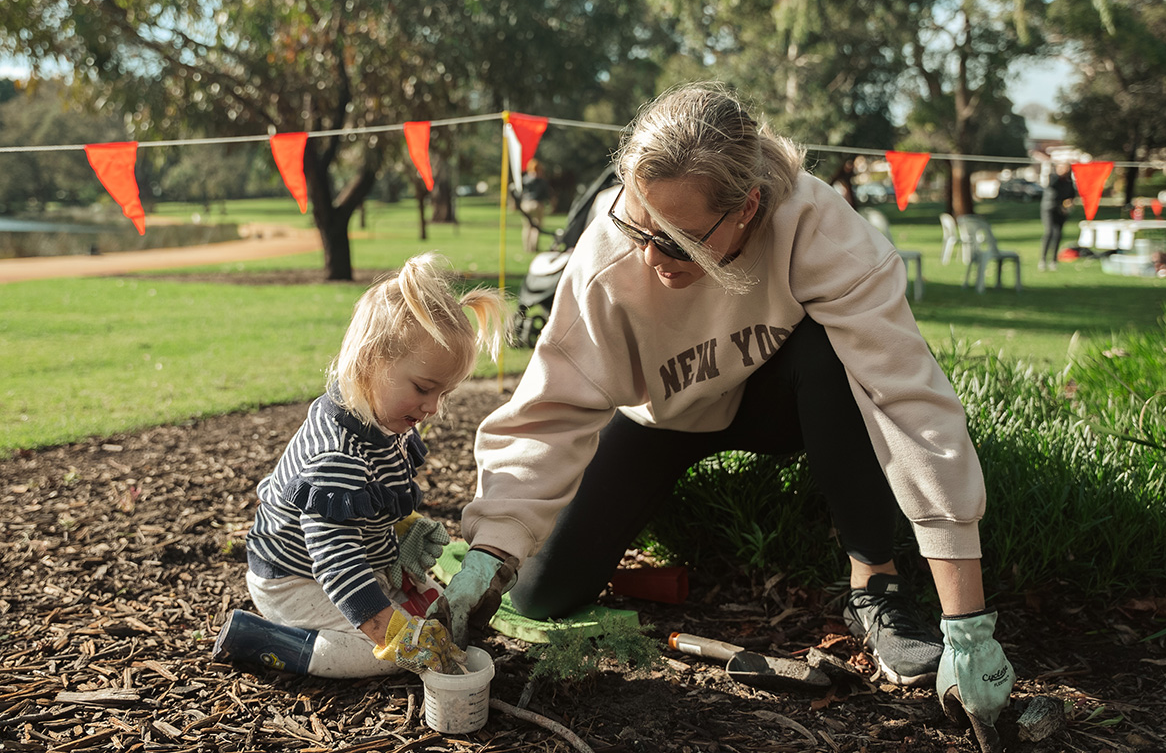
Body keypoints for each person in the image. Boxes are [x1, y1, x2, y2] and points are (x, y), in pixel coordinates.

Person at [436, 83, 1014, 736]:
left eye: (681, 241)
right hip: (662, 413)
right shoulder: (610, 251)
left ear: (749, 208)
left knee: (837, 355)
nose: (653, 258)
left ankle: (872, 584)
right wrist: (493, 545)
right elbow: (553, 405)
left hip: (785, 401)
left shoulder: (817, 223)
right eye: (641, 227)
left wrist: (966, 625)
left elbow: (908, 398)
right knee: (539, 593)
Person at [212, 253, 509, 678]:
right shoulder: (336, 459)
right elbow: (338, 567)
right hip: (295, 580)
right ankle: (263, 639)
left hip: (351, 557)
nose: (433, 408)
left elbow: (376, 493)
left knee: (435, 615)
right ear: (370, 361)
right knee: (385, 657)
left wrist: (400, 528)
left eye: (444, 393)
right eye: (425, 389)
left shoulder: (386, 418)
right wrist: (392, 635)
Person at [1039, 162, 1076, 271]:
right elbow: (1052, 185)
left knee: (1058, 234)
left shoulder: (1068, 182)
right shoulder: (1053, 177)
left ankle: (1053, 260)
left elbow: (1072, 195)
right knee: (1049, 232)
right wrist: (1058, 172)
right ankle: (1043, 259)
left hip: (1061, 210)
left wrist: (1069, 204)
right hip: (1049, 208)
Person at [519, 159, 551, 253]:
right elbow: (546, 193)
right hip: (537, 204)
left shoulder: (525, 179)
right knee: (536, 227)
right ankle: (534, 247)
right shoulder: (540, 180)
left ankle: (526, 247)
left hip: (525, 204)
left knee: (526, 226)